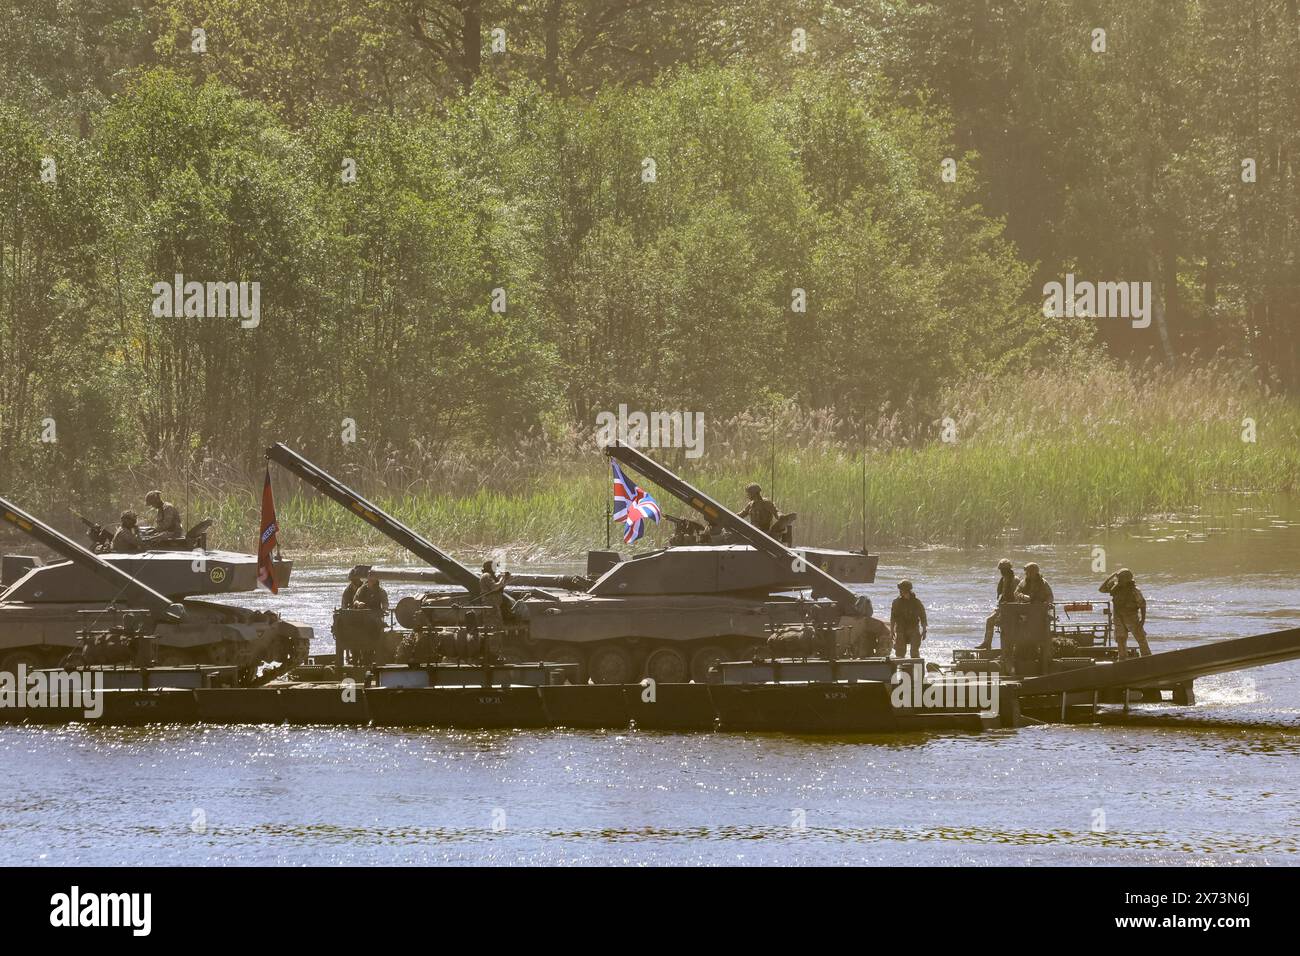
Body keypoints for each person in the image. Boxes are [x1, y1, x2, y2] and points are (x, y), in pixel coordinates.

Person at [1100, 567, 1150, 659]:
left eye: (1122, 577)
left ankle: (1147, 657)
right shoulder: (1115, 588)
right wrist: (1111, 576)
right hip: (1118, 618)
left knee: (1141, 639)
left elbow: (1142, 605)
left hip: (1131, 618)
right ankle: (1122, 659)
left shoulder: (1135, 590)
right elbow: (1101, 589)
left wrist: (1142, 620)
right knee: (1120, 639)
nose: (1120, 580)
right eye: (1119, 577)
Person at [977, 558, 1021, 649]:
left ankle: (988, 643)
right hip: (1003, 607)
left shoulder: (1015, 580)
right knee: (989, 620)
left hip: (1011, 609)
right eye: (1001, 570)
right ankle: (987, 643)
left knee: (990, 620)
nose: (1001, 571)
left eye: (1003, 569)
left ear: (1008, 569)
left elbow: (1018, 597)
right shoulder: (1004, 580)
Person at [890, 579, 927, 659]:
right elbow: (893, 617)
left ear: (907, 590)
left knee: (914, 653)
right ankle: (899, 670)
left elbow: (923, 617)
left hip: (913, 628)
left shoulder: (917, 603)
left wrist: (924, 630)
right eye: (900, 590)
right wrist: (891, 630)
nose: (900, 591)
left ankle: (915, 669)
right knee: (899, 654)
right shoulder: (896, 602)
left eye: (901, 590)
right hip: (900, 629)